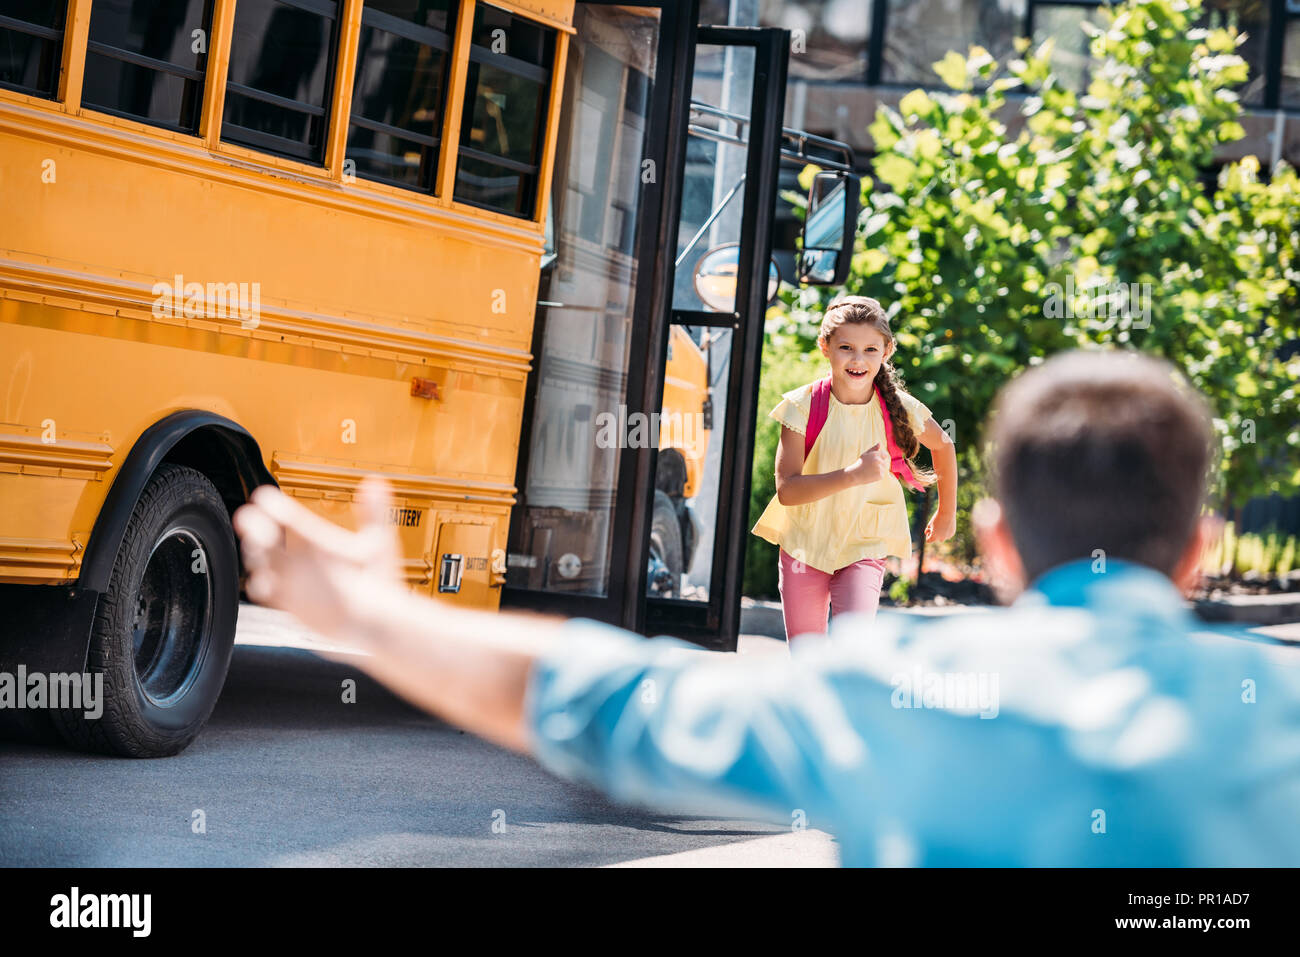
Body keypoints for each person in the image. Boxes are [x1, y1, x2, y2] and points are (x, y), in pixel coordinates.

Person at [233, 350, 1300, 866]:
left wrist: (369, 613)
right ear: (1199, 553)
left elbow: (607, 704)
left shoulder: (898, 691)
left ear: (998, 547)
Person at [751, 296, 958, 640]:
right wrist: (852, 475)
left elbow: (944, 445)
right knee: (808, 656)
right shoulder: (801, 407)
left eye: (870, 350)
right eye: (846, 347)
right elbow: (787, 490)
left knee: (853, 648)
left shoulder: (898, 408)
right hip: (805, 544)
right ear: (825, 347)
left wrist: (947, 512)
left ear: (886, 351)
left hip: (865, 544)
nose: (858, 359)